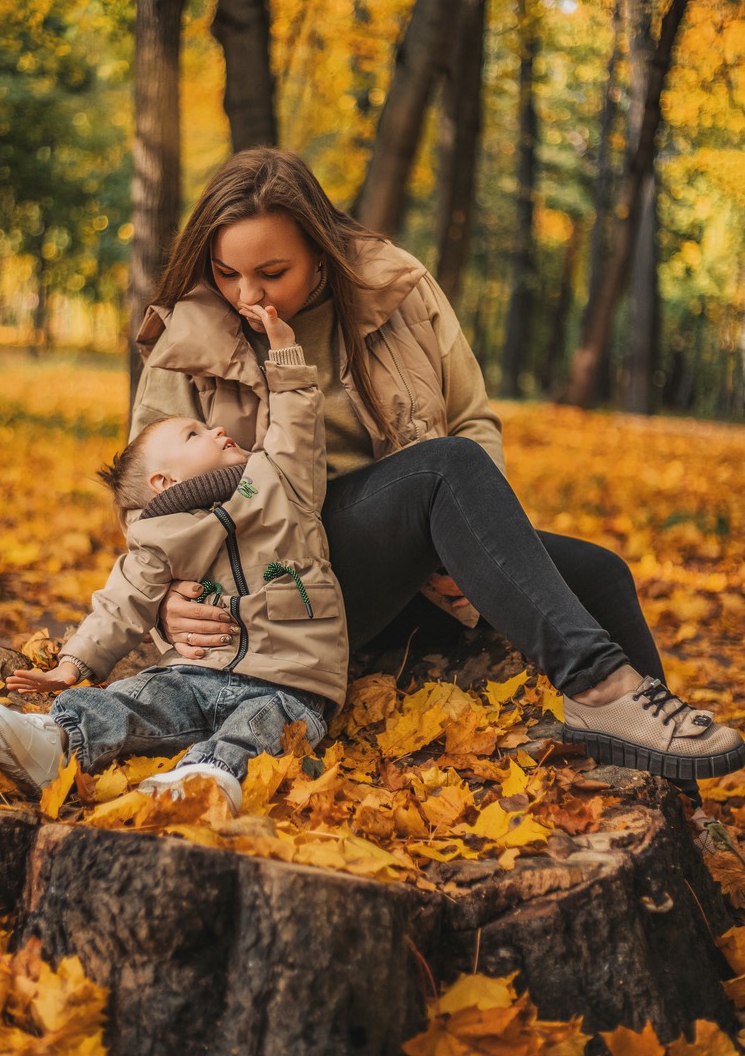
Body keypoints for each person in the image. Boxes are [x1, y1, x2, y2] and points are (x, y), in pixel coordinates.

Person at [127, 147, 744, 785]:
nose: (246, 294)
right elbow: (146, 489)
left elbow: (472, 417)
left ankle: (664, 784)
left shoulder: (396, 290)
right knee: (442, 468)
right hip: (275, 591)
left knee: (603, 575)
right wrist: (166, 596)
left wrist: (460, 549)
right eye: (227, 273)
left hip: (400, 567)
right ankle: (596, 686)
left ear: (321, 250)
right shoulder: (187, 334)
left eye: (272, 271)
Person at [0, 303, 346, 814]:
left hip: (289, 677)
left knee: (265, 726)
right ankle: (56, 739)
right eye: (194, 434)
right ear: (164, 483)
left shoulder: (279, 480)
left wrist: (284, 351)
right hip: (194, 674)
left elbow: (298, 421)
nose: (214, 430)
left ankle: (211, 775)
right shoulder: (158, 536)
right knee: (138, 696)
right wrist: (72, 665)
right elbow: (121, 603)